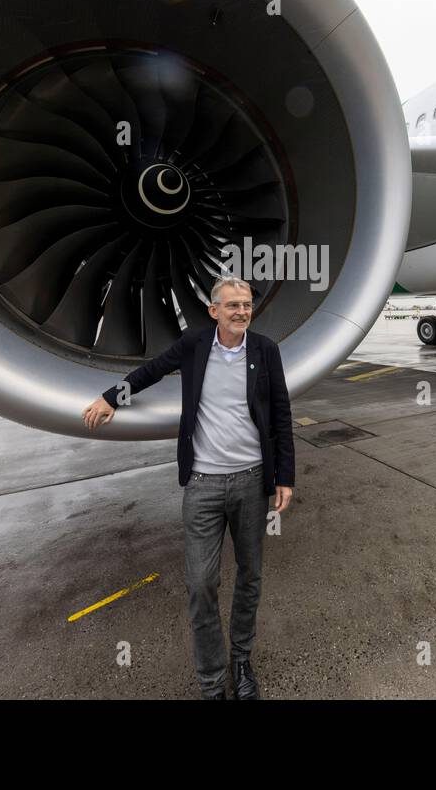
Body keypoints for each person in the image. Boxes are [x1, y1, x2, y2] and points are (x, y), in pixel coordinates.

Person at [82, 275, 294, 699]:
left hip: (252, 481)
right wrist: (110, 396)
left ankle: (240, 660)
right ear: (214, 310)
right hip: (202, 485)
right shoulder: (195, 345)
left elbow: (281, 415)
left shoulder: (265, 351)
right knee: (201, 583)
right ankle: (213, 680)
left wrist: (284, 476)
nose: (241, 312)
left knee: (250, 576)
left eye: (247, 304)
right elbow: (151, 371)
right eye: (232, 305)